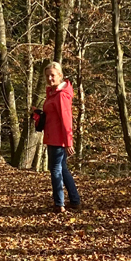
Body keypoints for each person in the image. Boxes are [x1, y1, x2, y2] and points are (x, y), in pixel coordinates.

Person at [41, 61, 81, 213]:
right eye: (47, 76)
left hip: (59, 139)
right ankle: (75, 200)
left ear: (60, 76)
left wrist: (68, 142)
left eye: (52, 75)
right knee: (62, 169)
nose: (50, 78)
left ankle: (59, 204)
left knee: (55, 169)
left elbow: (66, 120)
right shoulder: (52, 94)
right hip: (52, 137)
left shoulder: (61, 96)